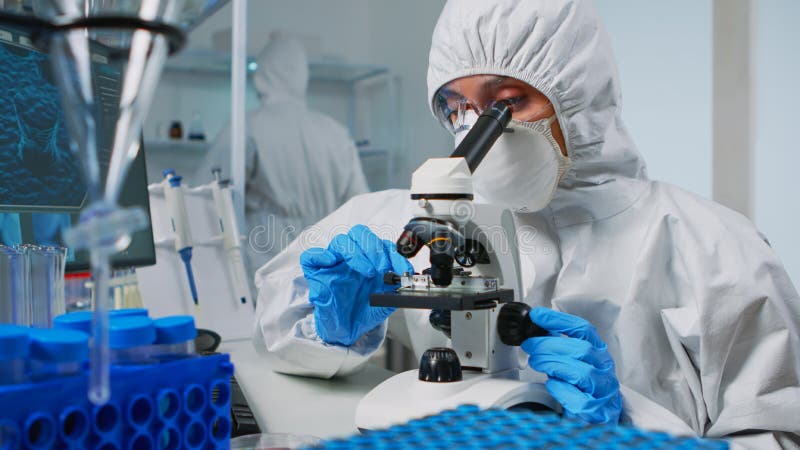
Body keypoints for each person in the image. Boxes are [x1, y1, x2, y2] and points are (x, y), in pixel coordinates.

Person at [253, 1, 800, 447]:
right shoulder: (416, 217)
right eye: (455, 108)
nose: (474, 131)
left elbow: (778, 434)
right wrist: (330, 327)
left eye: (507, 103)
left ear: (578, 97)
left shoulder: (715, 248)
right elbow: (275, 319)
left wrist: (638, 431)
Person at [195, 34, 369, 272]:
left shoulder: (248, 126)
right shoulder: (336, 133)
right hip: (325, 265)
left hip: (266, 261)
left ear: (263, 74)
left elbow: (205, 194)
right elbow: (361, 206)